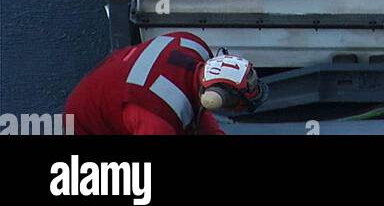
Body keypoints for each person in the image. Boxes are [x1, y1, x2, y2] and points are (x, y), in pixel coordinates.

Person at [64, 34, 265, 135]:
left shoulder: (191, 45)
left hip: (103, 89)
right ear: (215, 98)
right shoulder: (157, 121)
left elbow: (197, 109)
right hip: (86, 127)